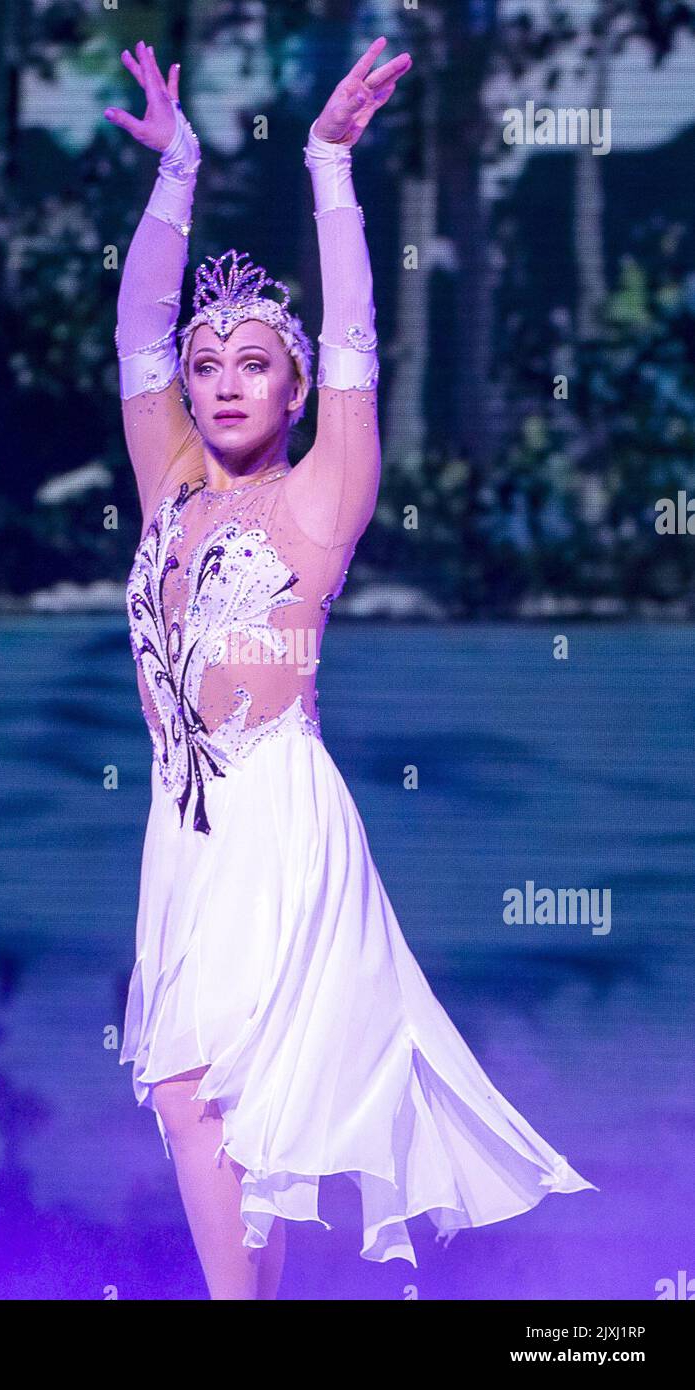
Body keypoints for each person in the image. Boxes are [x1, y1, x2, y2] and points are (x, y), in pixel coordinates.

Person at [106, 36, 598, 1301]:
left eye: (253, 363)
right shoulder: (167, 485)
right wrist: (178, 174)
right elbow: (134, 332)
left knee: (213, 1088)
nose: (219, 382)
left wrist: (327, 166)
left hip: (274, 814)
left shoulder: (320, 502)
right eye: (207, 364)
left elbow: (355, 340)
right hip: (181, 824)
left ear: (293, 385)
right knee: (192, 1102)